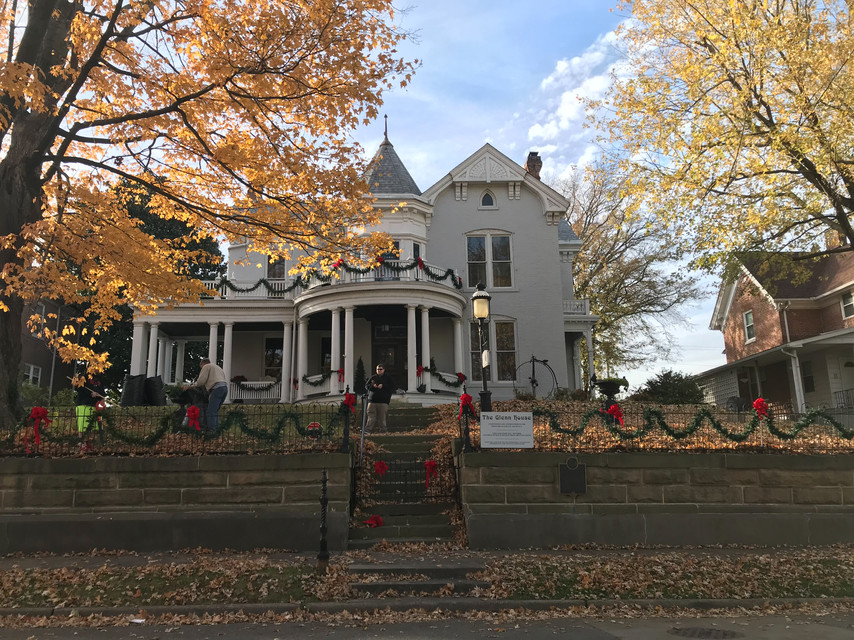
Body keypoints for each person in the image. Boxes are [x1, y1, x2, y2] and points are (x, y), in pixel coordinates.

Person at [187, 358, 228, 432]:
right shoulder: (217, 367)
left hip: (216, 388)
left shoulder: (206, 366)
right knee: (215, 410)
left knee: (211, 411)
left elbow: (201, 381)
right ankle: (216, 429)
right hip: (224, 388)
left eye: (201, 367)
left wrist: (191, 386)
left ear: (202, 364)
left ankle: (212, 431)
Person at [75, 377, 104, 449]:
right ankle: (81, 442)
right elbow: (79, 388)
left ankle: (87, 442)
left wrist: (100, 397)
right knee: (82, 425)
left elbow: (102, 392)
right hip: (83, 404)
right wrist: (90, 393)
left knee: (91, 426)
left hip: (94, 405)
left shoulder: (100, 378)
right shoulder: (84, 376)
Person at [365, 363, 394, 432]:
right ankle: (368, 429)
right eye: (378, 369)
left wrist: (383, 386)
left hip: (383, 401)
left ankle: (383, 430)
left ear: (384, 370)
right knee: (371, 416)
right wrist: (373, 386)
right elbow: (367, 386)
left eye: (380, 369)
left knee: (382, 417)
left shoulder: (388, 378)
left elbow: (392, 386)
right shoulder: (373, 377)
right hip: (372, 400)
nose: (379, 370)